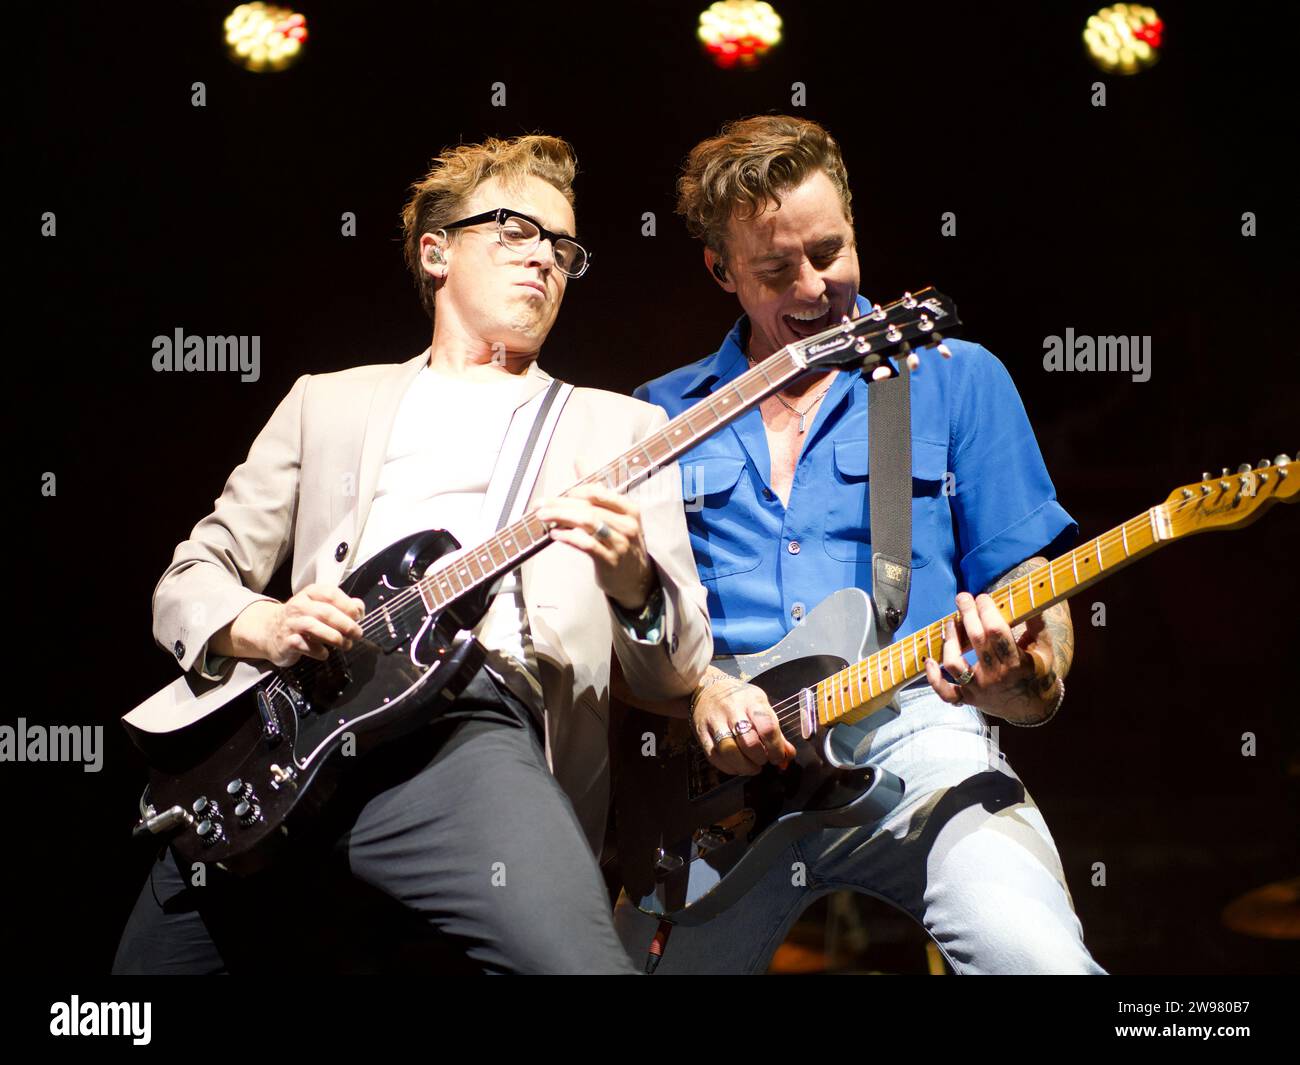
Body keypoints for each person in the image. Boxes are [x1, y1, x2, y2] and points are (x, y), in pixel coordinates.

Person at [113, 134, 711, 975]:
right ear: (436, 251)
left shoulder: (620, 429)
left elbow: (675, 675)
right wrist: (268, 623)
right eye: (514, 229)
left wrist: (632, 582)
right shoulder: (326, 402)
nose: (544, 258)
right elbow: (188, 581)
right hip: (299, 733)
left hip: (467, 728)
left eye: (563, 246)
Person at [615, 115, 1105, 974]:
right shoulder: (655, 416)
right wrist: (696, 693)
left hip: (919, 731)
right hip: (715, 785)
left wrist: (1021, 674)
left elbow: (1039, 633)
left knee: (1038, 960)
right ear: (720, 269)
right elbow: (618, 632)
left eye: (830, 251)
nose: (814, 287)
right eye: (774, 269)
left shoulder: (957, 375)